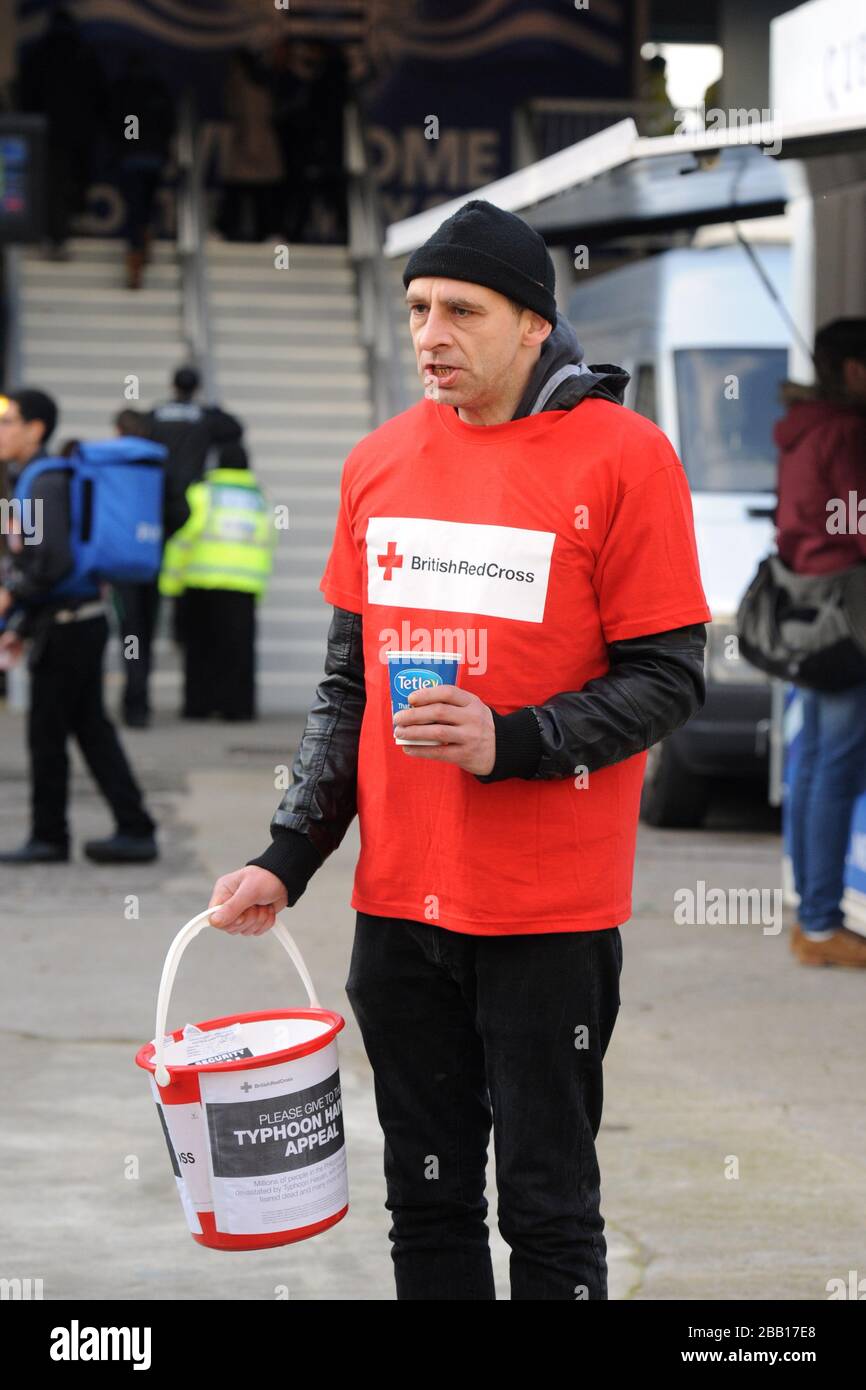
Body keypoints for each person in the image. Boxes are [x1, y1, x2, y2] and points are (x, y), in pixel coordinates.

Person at [204, 200, 711, 1300]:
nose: (430, 333)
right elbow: (348, 690)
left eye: (459, 310)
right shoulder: (379, 463)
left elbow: (669, 676)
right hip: (399, 915)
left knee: (547, 1209)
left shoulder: (624, 458)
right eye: (417, 308)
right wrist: (285, 857)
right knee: (426, 1205)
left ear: (532, 323)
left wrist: (515, 739)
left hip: (546, 918)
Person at [0, 389, 158, 865]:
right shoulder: (36, 477)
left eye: (9, 422)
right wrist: (23, 625)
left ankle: (50, 837)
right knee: (90, 728)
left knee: (48, 734)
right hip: (73, 623)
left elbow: (51, 562)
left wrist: (12, 599)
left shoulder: (43, 480)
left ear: (36, 429)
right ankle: (135, 827)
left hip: (69, 628)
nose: (2, 430)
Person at [775, 319, 866, 968]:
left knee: (813, 762)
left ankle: (811, 914)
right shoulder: (847, 432)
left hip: (805, 606)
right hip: (848, 611)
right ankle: (820, 921)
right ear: (856, 370)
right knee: (836, 764)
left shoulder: (802, 429)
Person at [114, 367, 242, 727]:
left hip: (150, 517)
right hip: (186, 514)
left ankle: (136, 701)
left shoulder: (155, 416)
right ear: (196, 387)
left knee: (135, 627)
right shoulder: (204, 417)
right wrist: (211, 410)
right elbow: (234, 429)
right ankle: (174, 649)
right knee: (161, 616)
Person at [158, 441, 275, 720]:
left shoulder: (202, 493)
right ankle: (238, 709)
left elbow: (183, 537)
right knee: (239, 652)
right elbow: (268, 540)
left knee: (199, 649)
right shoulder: (261, 497)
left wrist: (170, 583)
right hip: (243, 586)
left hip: (201, 581)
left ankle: (198, 706)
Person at [110, 49, 176, 290]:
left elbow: (116, 121)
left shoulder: (124, 90)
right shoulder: (156, 90)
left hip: (133, 157)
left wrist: (125, 146)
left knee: (136, 208)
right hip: (151, 157)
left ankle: (136, 258)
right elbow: (168, 123)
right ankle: (141, 248)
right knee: (144, 207)